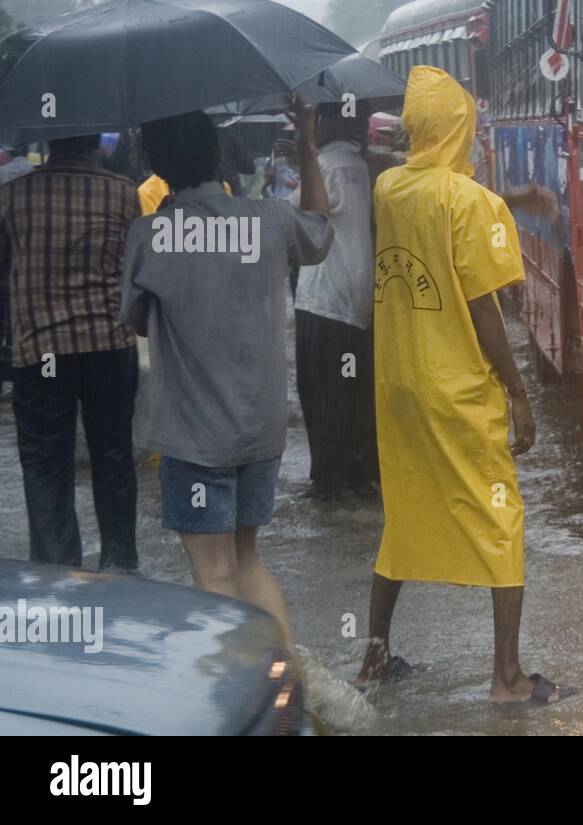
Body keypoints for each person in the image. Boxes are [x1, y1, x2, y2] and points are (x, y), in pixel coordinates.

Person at [356, 67, 572, 705]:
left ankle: (374, 659)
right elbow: (483, 308)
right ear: (460, 130)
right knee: (502, 521)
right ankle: (509, 678)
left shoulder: (388, 188)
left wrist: (514, 199)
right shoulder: (471, 203)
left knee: (404, 516)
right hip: (456, 390)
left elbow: (441, 199)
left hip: (399, 387)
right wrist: (519, 390)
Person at [120, 104, 333, 638]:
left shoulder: (149, 236)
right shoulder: (271, 219)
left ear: (153, 161)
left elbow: (138, 324)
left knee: (214, 576)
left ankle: (243, 707)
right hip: (260, 430)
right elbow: (322, 231)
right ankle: (290, 684)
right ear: (218, 153)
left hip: (195, 437)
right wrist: (307, 148)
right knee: (246, 561)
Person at [0, 133, 141, 571]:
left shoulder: (12, 195)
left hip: (41, 350)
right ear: (96, 142)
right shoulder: (122, 193)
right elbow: (133, 269)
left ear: (51, 140)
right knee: (114, 453)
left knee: (45, 463)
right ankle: (119, 566)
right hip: (109, 345)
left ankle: (56, 575)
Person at [291, 102, 379, 500]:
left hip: (323, 301)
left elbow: (304, 215)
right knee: (352, 388)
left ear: (326, 121)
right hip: (358, 303)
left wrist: (305, 151)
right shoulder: (366, 167)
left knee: (320, 391)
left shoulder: (326, 165)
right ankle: (359, 473)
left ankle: (327, 479)